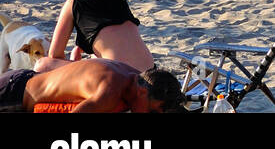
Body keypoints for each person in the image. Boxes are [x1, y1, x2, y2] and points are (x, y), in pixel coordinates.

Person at [39, 0, 153, 72]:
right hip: (150, 72)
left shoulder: (73, 3)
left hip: (120, 78)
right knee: (95, 57)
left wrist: (74, 62)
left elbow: (54, 55)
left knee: (43, 65)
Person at [0, 59, 183, 113]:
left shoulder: (135, 75)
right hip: (13, 95)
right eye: (152, 111)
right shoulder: (110, 91)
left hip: (24, 78)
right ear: (143, 92)